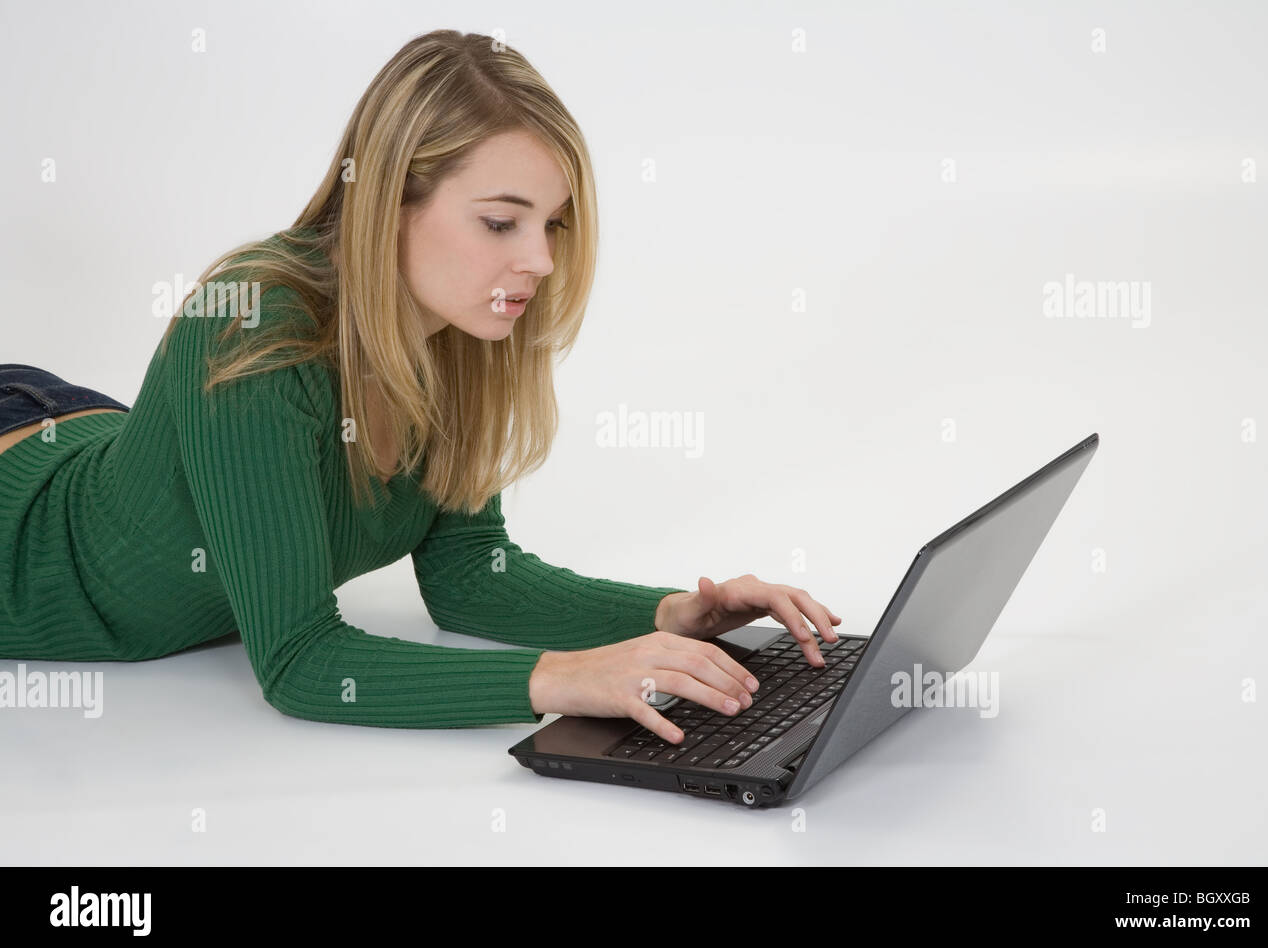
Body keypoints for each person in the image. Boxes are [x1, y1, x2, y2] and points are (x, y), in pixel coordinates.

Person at [0, 29, 841, 743]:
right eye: (499, 221)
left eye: (551, 223)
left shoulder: (458, 334)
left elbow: (473, 575)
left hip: (67, 423)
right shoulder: (251, 322)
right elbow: (298, 663)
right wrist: (564, 680)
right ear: (390, 203)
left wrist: (667, 617)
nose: (541, 261)